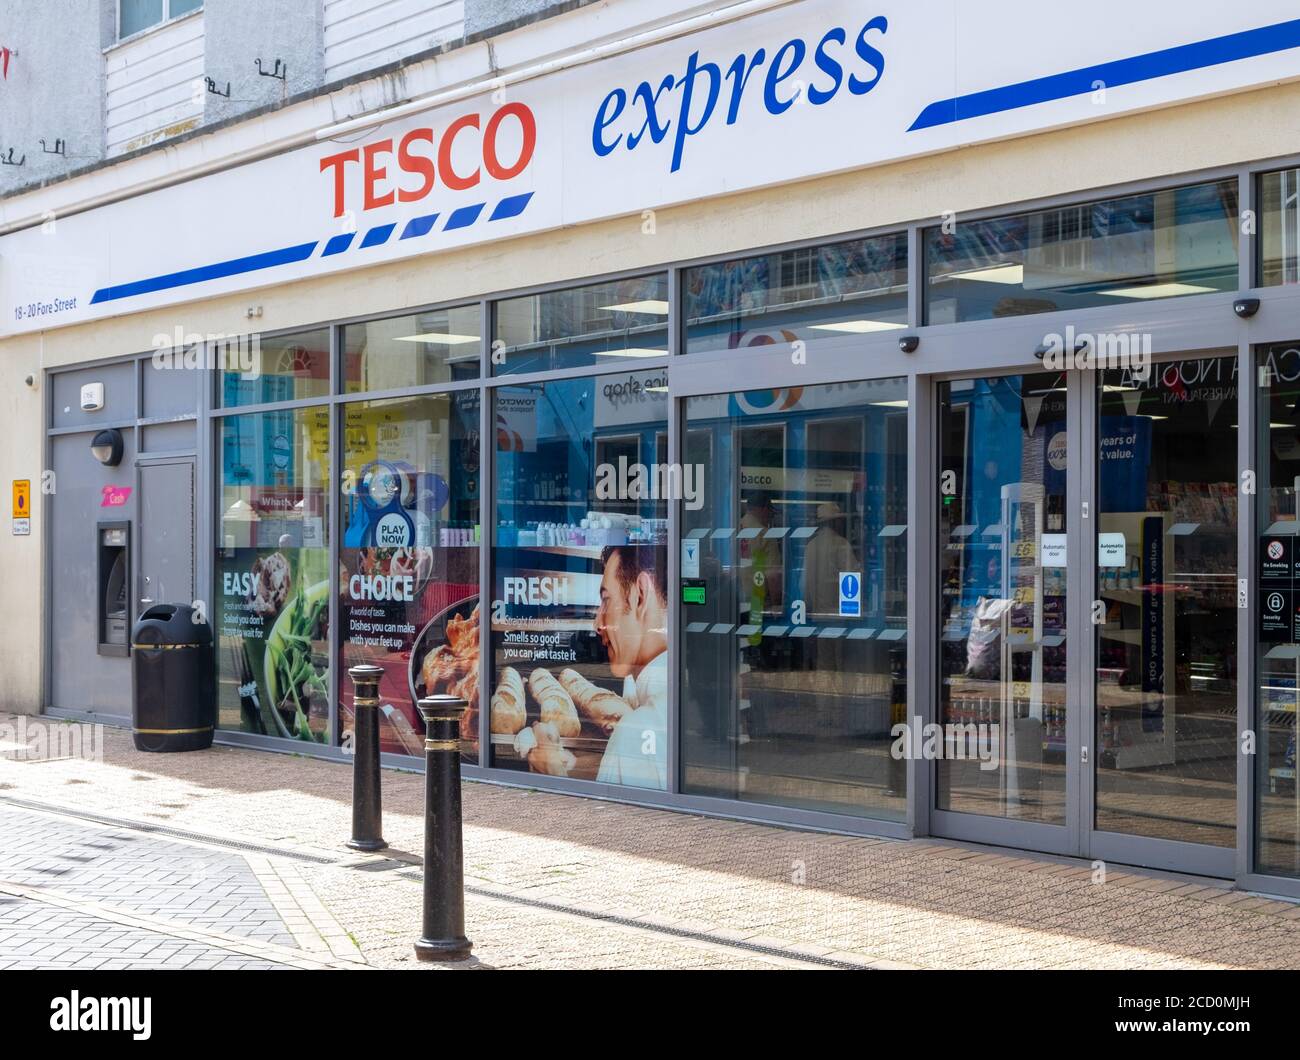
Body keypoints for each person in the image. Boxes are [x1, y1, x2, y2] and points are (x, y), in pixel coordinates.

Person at [592, 543, 668, 789]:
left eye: (606, 600)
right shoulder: (692, 698)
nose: (597, 623)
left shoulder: (633, 732)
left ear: (640, 596)